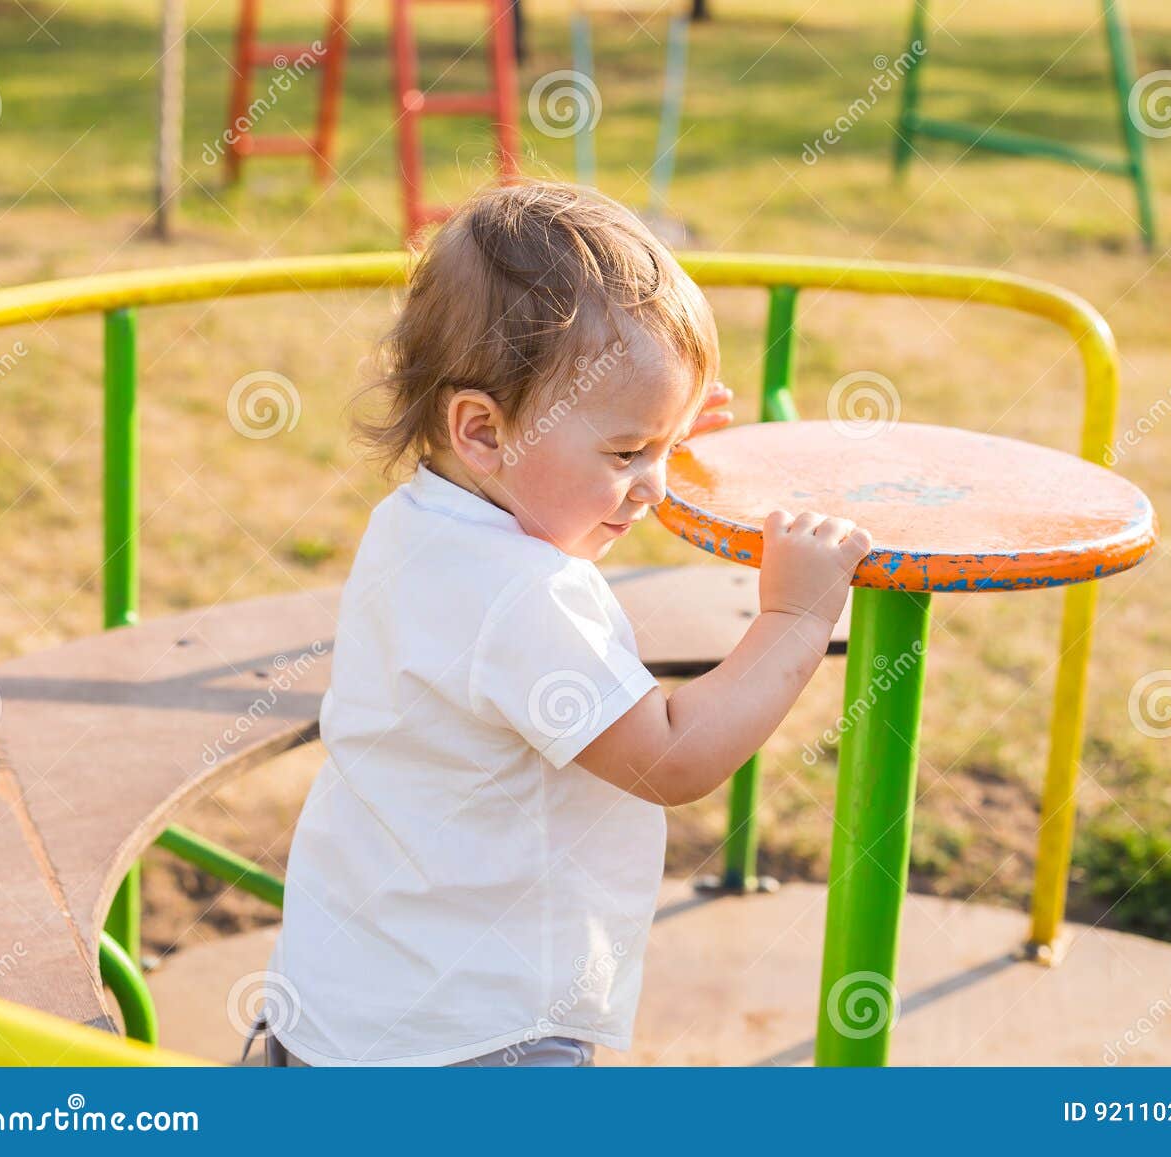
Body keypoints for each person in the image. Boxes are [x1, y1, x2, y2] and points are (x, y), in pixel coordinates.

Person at [247, 179, 872, 1067]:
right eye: (628, 454)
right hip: (480, 1039)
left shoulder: (419, 525)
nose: (654, 482)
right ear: (484, 432)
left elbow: (537, 544)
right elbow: (673, 754)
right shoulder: (527, 598)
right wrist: (795, 612)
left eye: (665, 442)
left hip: (346, 1011)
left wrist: (635, 435)